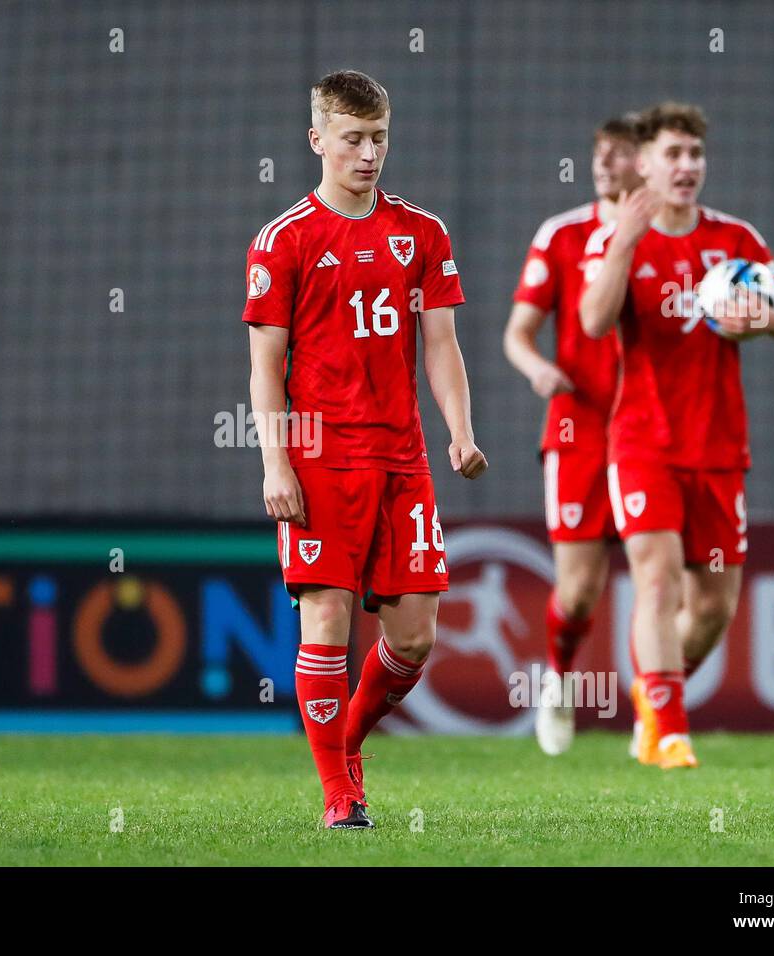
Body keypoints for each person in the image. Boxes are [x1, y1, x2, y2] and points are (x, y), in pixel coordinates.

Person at [242, 71, 487, 827]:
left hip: (403, 457)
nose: (369, 153)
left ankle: (344, 740)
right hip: (320, 456)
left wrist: (460, 430)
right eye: (353, 138)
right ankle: (341, 798)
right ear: (318, 140)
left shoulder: (422, 232)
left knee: (414, 638)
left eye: (379, 138)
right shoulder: (283, 240)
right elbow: (265, 366)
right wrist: (275, 463)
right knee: (328, 621)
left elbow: (440, 344)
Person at [579, 102, 774, 768]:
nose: (687, 167)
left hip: (718, 447)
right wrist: (623, 242)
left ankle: (654, 697)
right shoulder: (618, 233)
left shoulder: (735, 240)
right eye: (674, 154)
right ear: (646, 162)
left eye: (695, 155)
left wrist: (763, 318)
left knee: (713, 607)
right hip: (642, 444)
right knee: (655, 581)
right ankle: (671, 730)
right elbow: (595, 323)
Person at [503, 114, 642, 755]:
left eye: (619, 155)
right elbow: (518, 332)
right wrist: (538, 371)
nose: (605, 165)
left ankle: (656, 709)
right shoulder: (562, 235)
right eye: (599, 154)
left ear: (645, 163)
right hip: (579, 428)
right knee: (581, 588)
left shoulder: (670, 234)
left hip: (657, 431)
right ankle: (559, 685)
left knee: (660, 577)